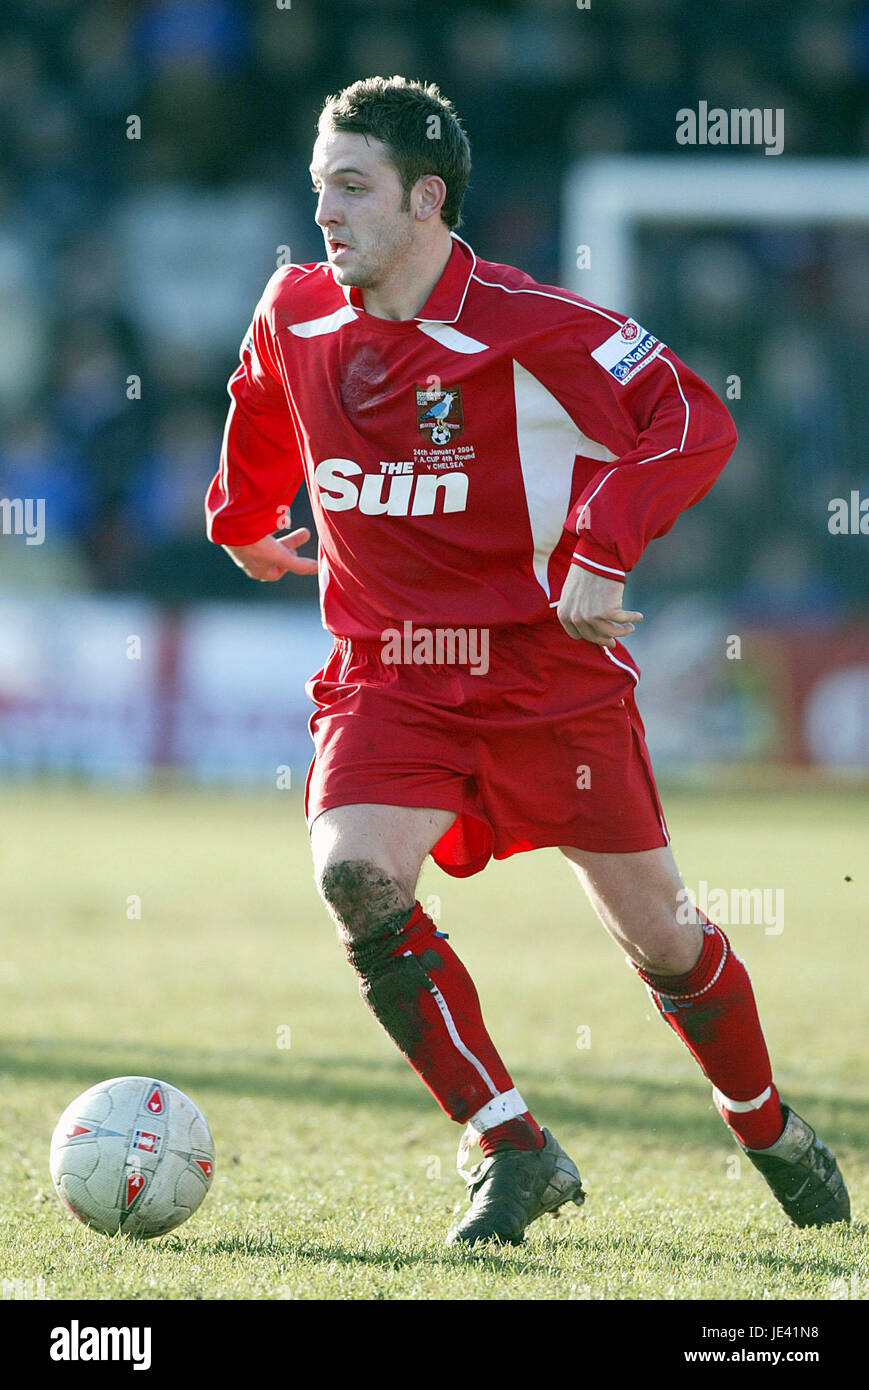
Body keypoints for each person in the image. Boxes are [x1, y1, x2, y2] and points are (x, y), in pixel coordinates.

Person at [205, 76, 849, 1246]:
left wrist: (603, 548)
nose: (326, 214)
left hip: (544, 676)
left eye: (352, 188)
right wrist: (244, 514)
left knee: (661, 937)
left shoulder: (531, 322)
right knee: (355, 877)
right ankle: (511, 1144)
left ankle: (763, 1124)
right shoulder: (294, 310)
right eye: (319, 189)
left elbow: (693, 419)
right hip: (389, 671)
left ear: (425, 200)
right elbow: (259, 396)